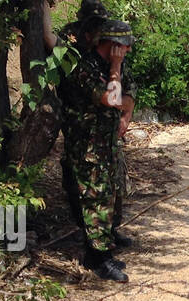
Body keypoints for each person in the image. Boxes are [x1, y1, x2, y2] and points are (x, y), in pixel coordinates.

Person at [59, 18, 137, 282]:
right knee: (95, 198)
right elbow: (114, 98)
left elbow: (128, 97)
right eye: (124, 47)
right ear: (113, 45)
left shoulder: (115, 66)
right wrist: (115, 69)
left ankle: (105, 247)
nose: (127, 51)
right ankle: (97, 258)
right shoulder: (86, 67)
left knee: (109, 195)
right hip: (87, 146)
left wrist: (123, 109)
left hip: (106, 143)